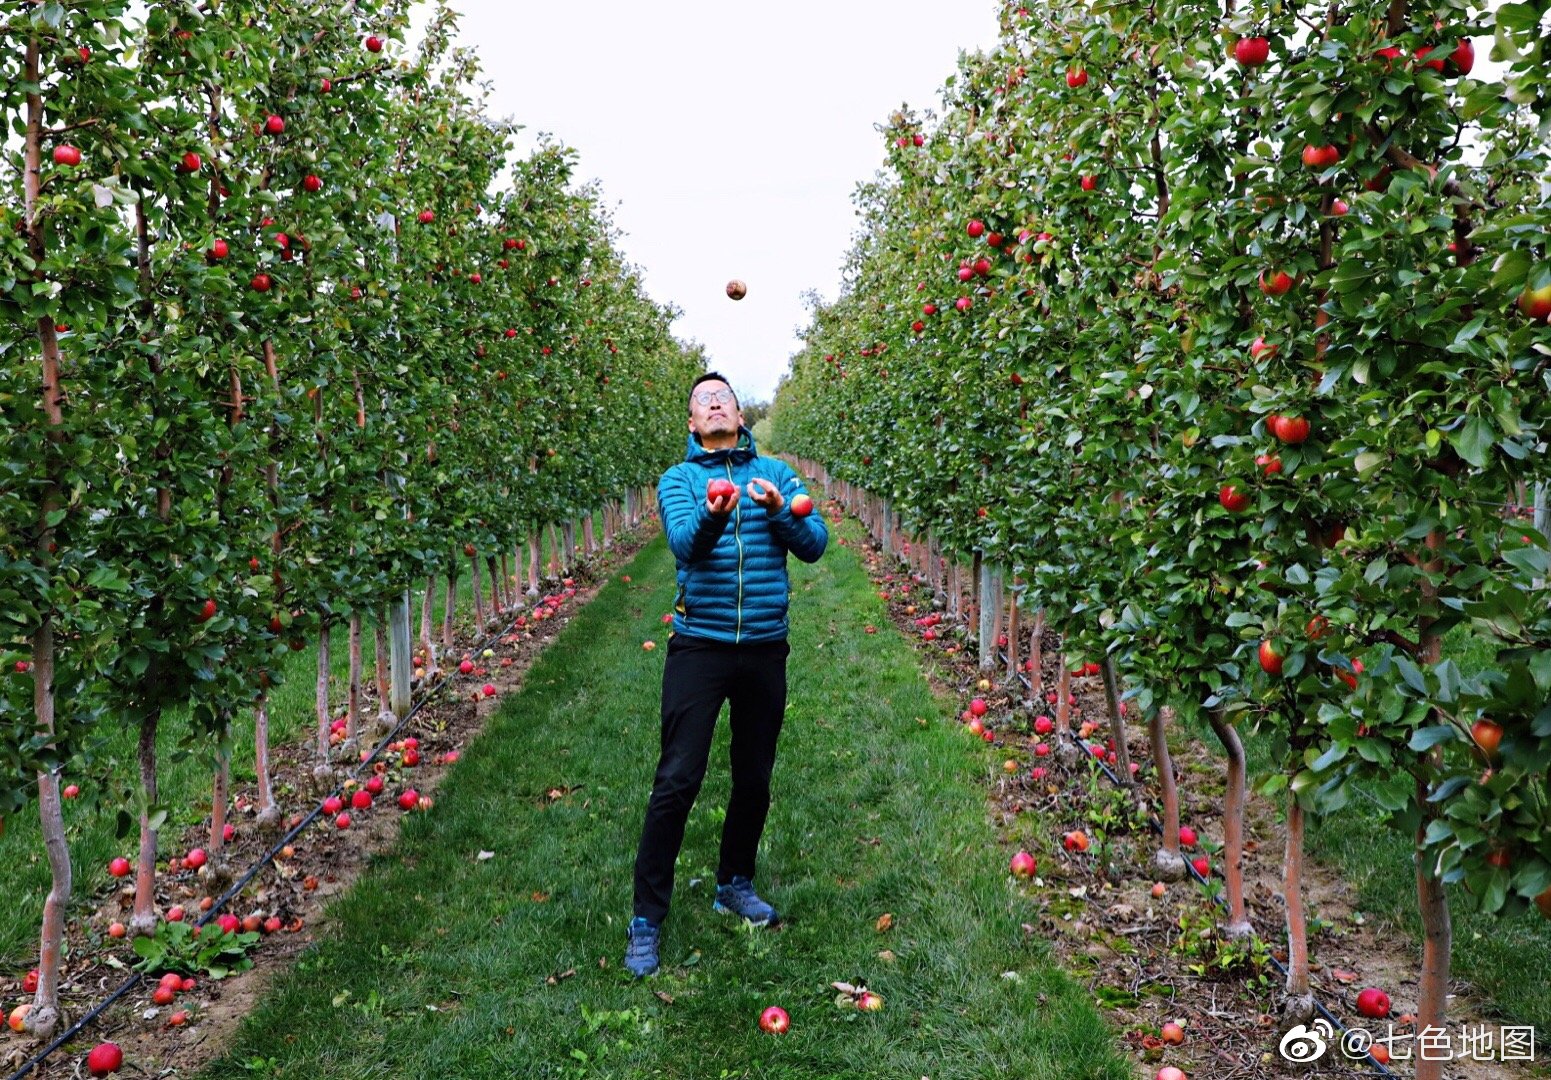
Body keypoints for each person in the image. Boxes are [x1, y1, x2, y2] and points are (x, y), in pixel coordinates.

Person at [624, 372, 828, 978]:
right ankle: (646, 919)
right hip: (700, 647)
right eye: (703, 401)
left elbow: (815, 543)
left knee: (754, 776)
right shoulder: (681, 479)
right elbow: (685, 545)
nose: (715, 404)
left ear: (741, 415)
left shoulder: (778, 476)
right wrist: (715, 514)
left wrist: (778, 513)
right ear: (692, 424)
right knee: (678, 779)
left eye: (724, 397)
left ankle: (734, 882)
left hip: (765, 645)